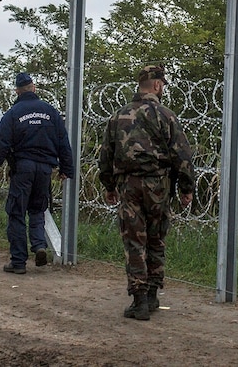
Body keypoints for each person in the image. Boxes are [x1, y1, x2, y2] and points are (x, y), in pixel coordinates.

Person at [98, 65, 195, 321]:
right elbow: (182, 155)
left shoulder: (120, 116)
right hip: (159, 185)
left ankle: (139, 300)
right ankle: (152, 294)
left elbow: (106, 155)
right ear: (157, 85)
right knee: (156, 238)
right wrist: (186, 188)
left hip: (128, 185)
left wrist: (109, 186)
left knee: (134, 240)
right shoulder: (166, 116)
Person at [0, 72, 75, 274]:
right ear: (34, 88)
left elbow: (0, 144)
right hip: (44, 170)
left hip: (23, 168)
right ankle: (39, 245)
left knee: (16, 212)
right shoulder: (51, 112)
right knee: (37, 209)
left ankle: (18, 262)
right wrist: (67, 169)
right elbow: (63, 143)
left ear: (17, 91)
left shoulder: (14, 113)